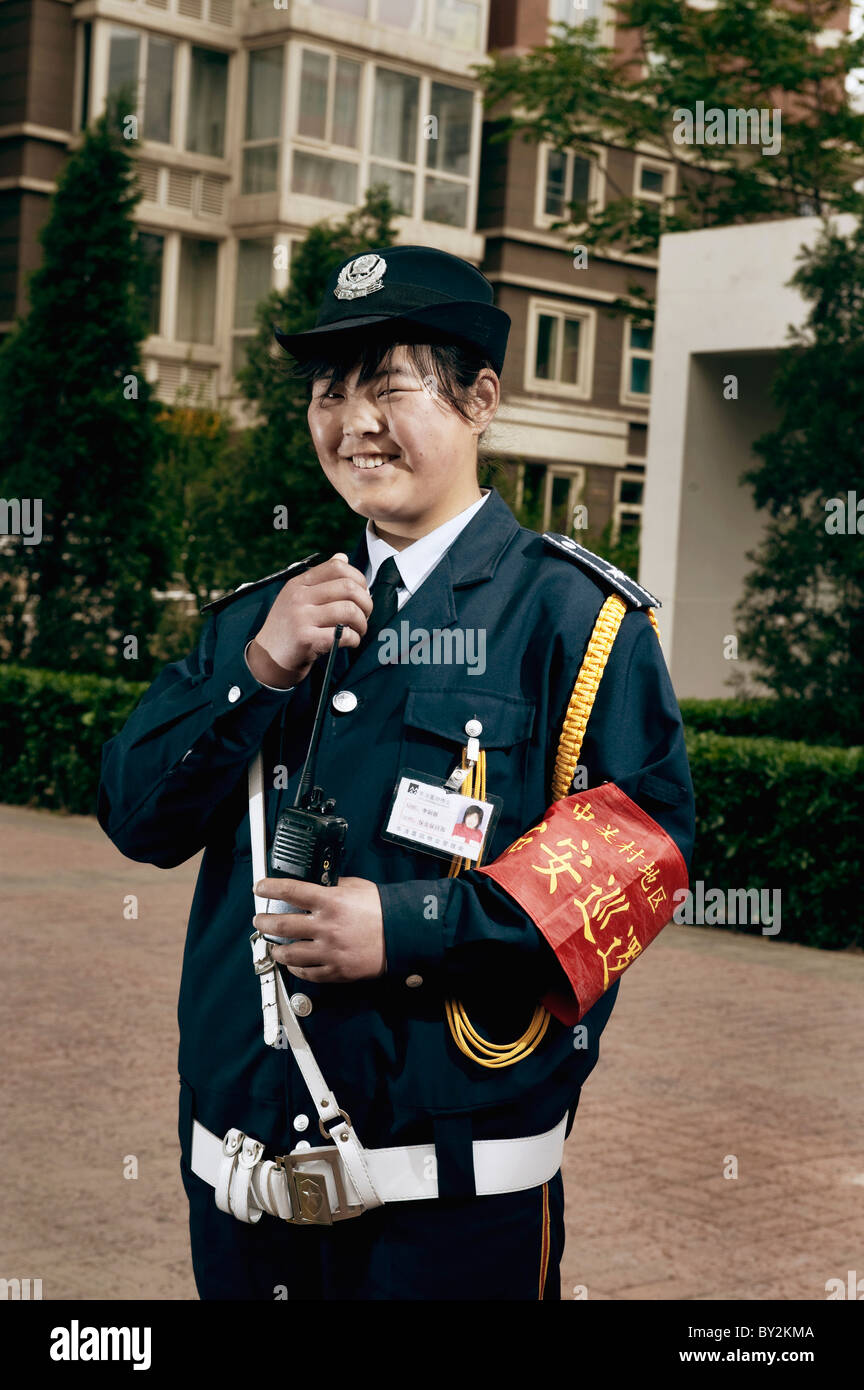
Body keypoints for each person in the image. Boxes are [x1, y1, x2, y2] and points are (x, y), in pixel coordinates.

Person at [98, 244, 695, 1302]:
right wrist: (255, 671)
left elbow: (638, 862)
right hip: (243, 1207)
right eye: (331, 390)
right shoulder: (263, 615)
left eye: (389, 385)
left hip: (448, 1221)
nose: (353, 420)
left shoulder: (575, 621)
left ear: (480, 400)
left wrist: (408, 926)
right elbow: (136, 813)